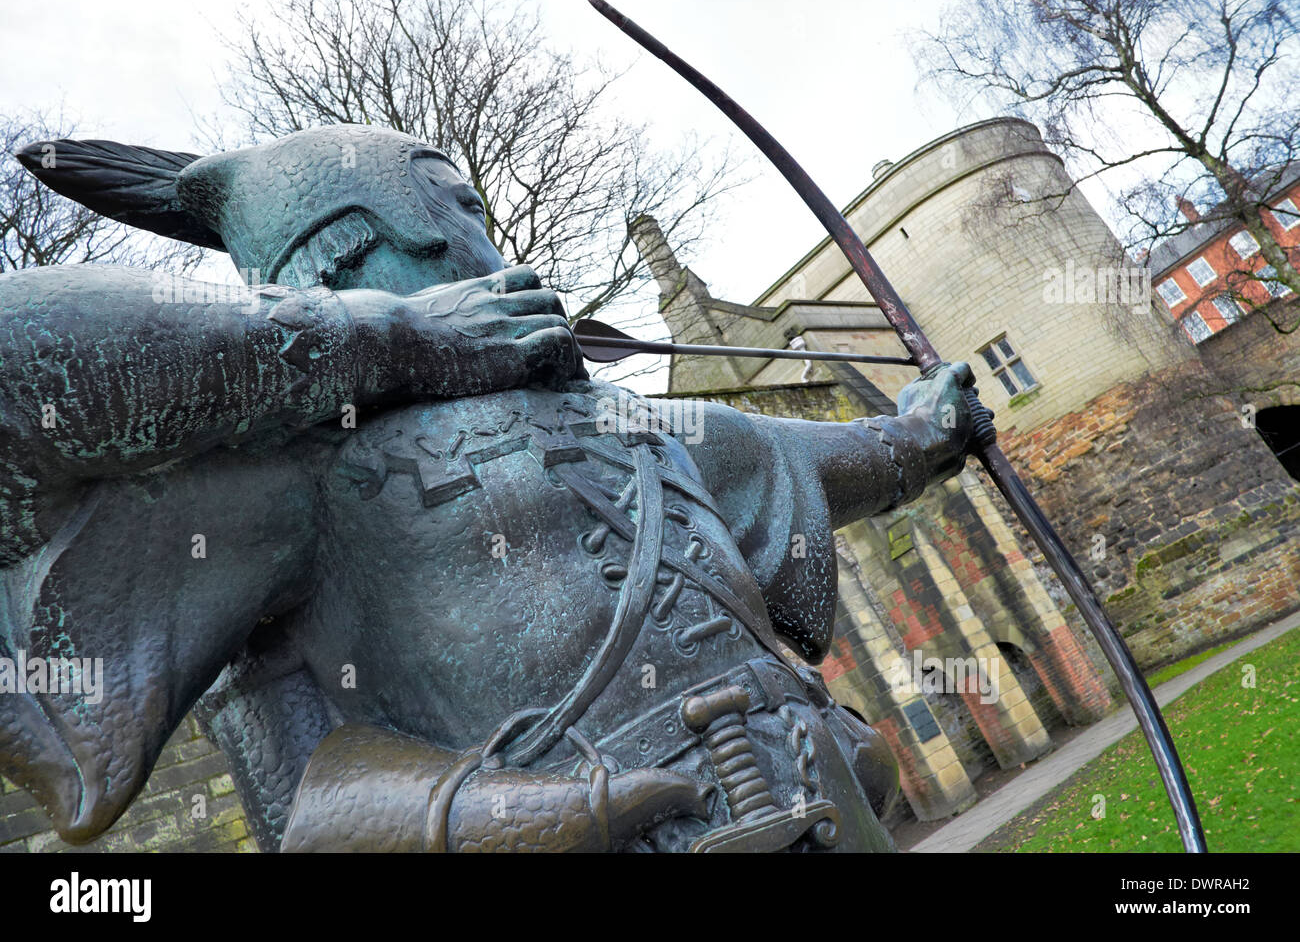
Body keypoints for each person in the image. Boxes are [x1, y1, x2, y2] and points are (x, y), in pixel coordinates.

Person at [0, 125, 975, 852]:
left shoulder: (643, 423)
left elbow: (856, 454)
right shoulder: (298, 474)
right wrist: (390, 337)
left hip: (821, 799)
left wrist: (929, 429)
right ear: (373, 232)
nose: (489, 233)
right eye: (459, 203)